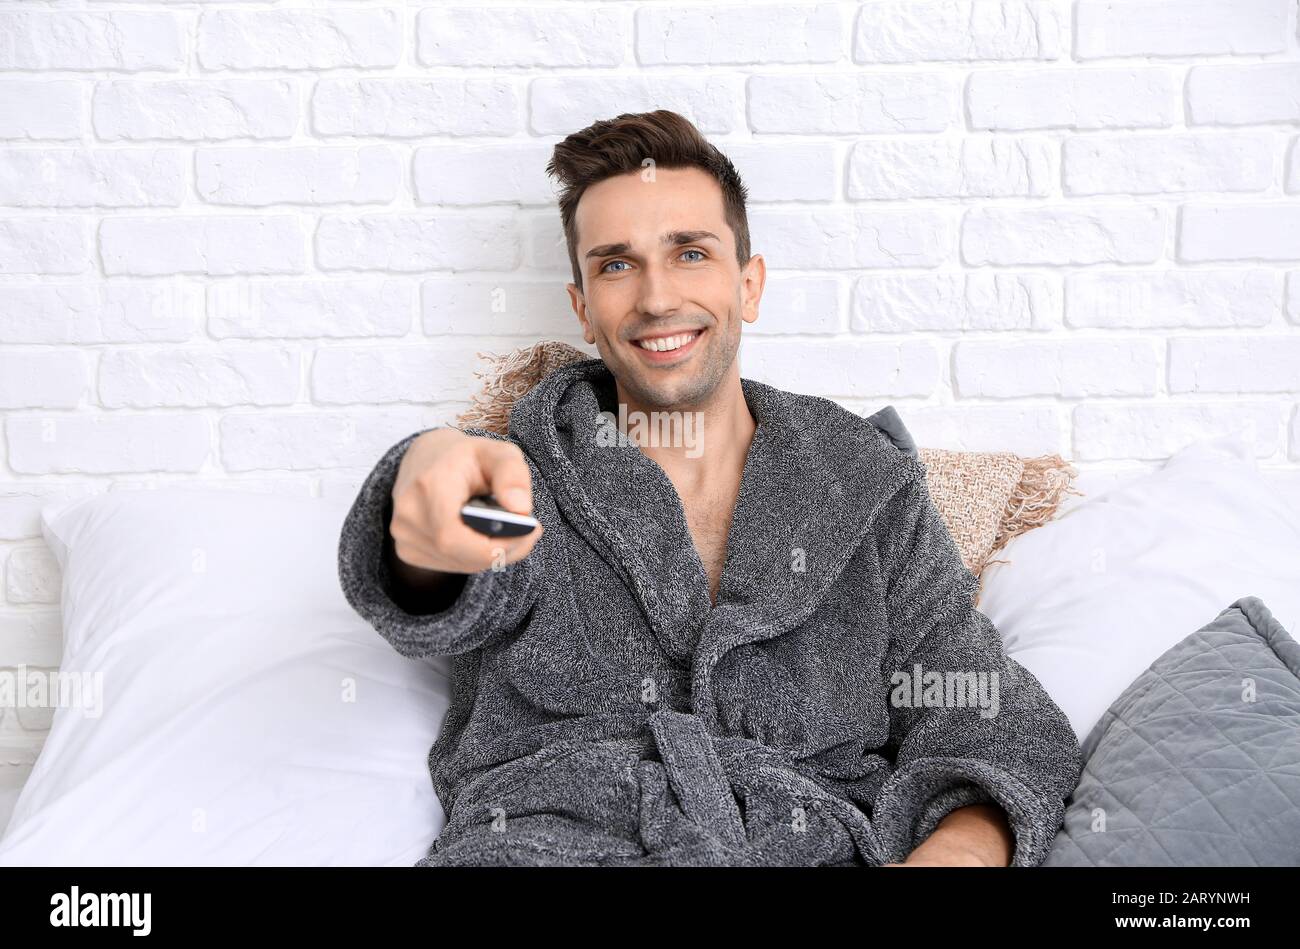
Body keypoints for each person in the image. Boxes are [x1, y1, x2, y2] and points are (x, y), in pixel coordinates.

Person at [337, 109, 1083, 867]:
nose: (657, 298)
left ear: (748, 284)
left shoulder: (865, 486)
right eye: (616, 265)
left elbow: (981, 710)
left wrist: (958, 854)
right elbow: (447, 572)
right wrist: (418, 504)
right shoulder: (523, 474)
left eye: (689, 253)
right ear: (584, 310)